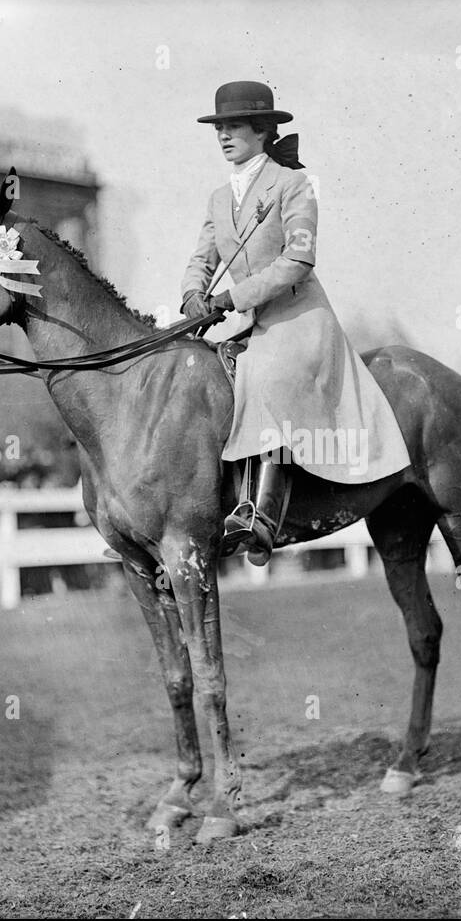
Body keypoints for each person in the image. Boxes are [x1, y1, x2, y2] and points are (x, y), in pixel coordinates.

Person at [179, 80, 411, 565]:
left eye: (234, 126)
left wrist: (230, 297)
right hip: (246, 321)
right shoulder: (219, 198)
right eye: (219, 127)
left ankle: (262, 515)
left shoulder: (293, 183)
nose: (223, 135)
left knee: (266, 374)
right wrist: (191, 296)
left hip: (298, 317)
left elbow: (297, 261)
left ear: (263, 131)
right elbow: (201, 257)